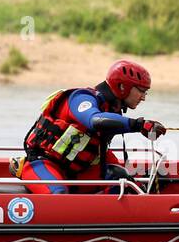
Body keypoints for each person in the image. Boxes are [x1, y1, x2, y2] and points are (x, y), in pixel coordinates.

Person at [20, 60, 166, 194]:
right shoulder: (81, 98)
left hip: (79, 172)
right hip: (43, 164)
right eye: (141, 91)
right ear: (122, 86)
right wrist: (138, 125)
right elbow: (95, 120)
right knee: (58, 195)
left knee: (125, 183)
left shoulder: (111, 110)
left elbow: (111, 128)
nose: (143, 97)